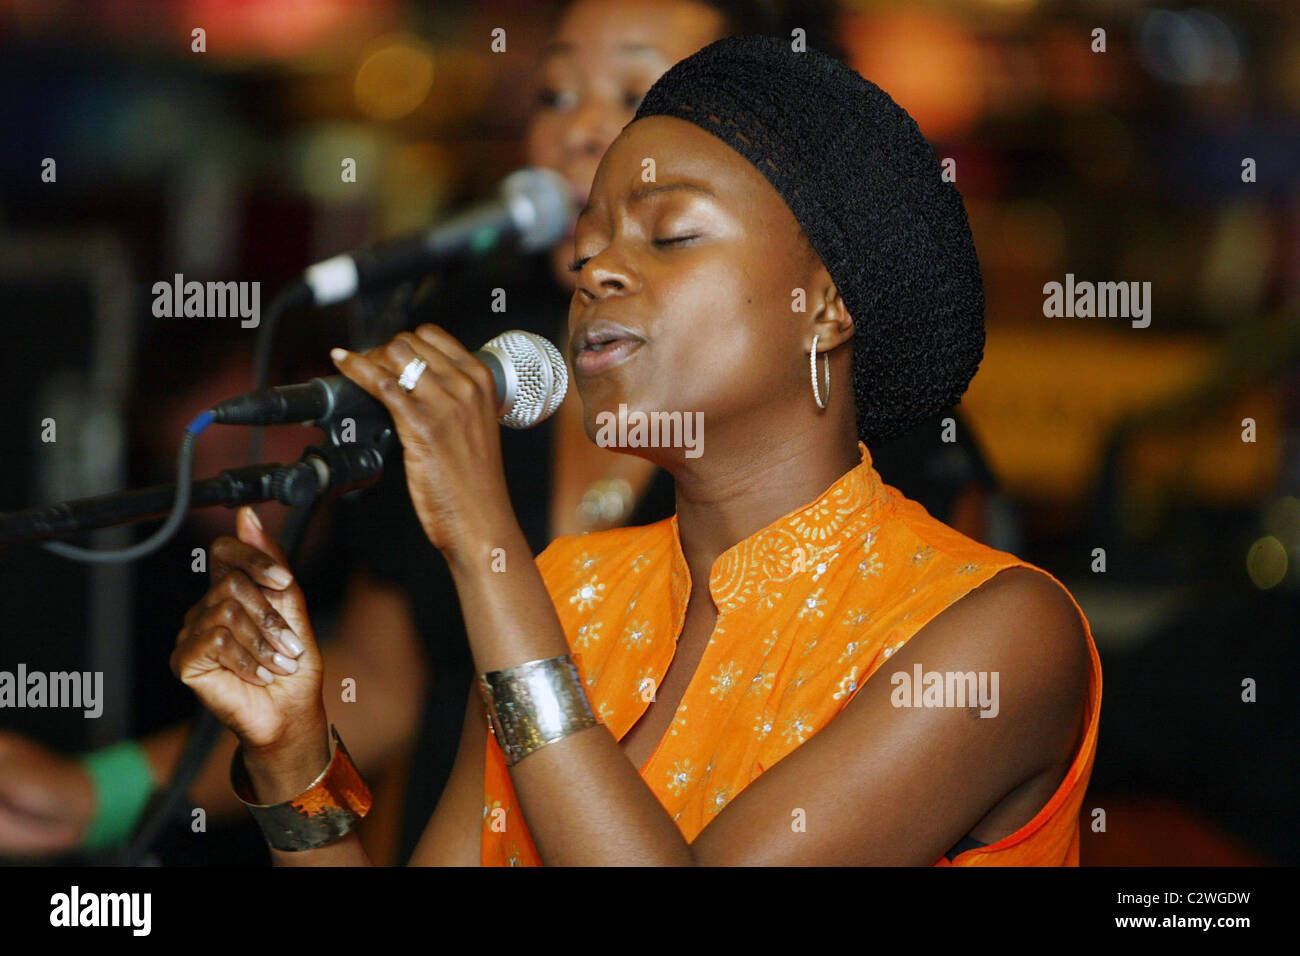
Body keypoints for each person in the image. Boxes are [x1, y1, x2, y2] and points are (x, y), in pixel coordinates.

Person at [171, 36, 1102, 866]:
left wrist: (484, 543)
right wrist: (293, 755)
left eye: (671, 235)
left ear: (823, 307)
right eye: (588, 255)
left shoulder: (1000, 632)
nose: (598, 272)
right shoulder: (570, 593)